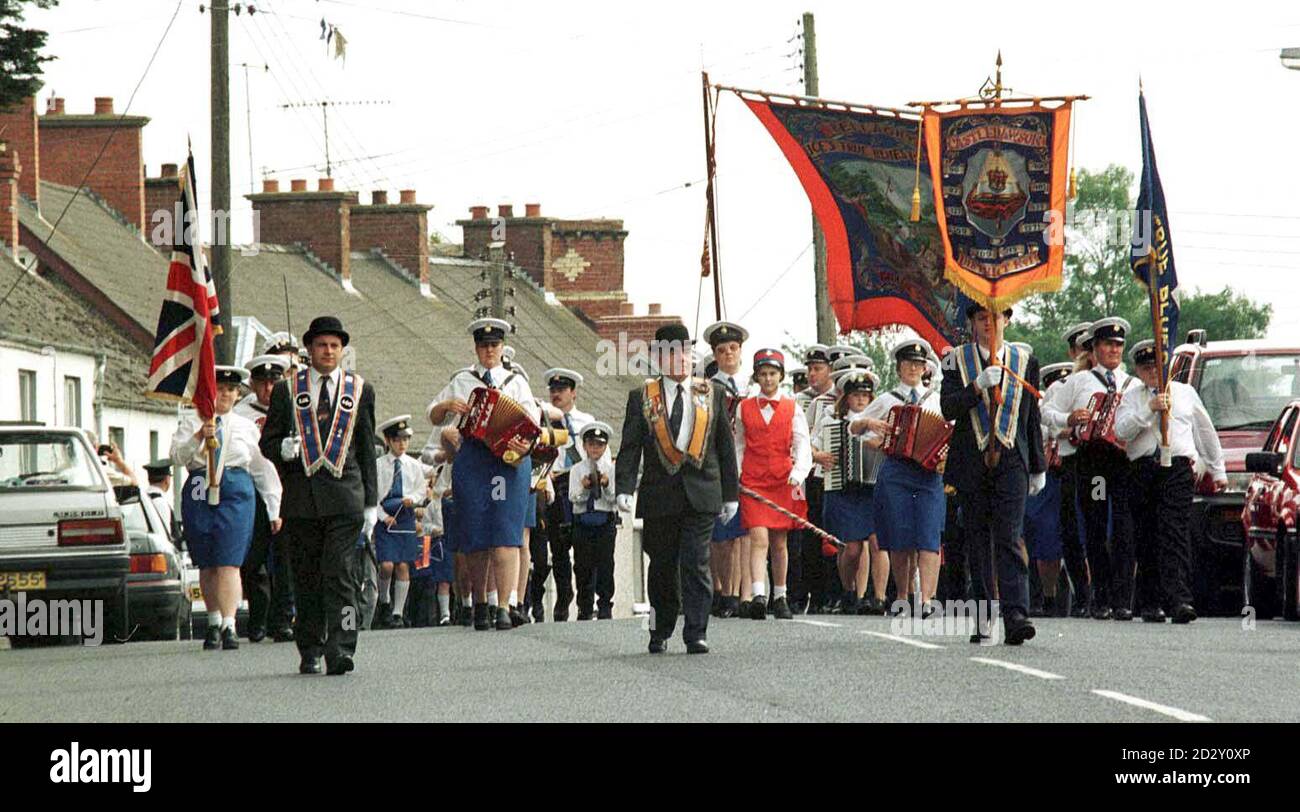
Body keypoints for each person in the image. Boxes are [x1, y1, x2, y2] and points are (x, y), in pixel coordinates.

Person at [260, 315, 378, 676]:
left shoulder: (360, 389)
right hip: (302, 500)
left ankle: (341, 647)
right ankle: (309, 646)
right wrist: (284, 448)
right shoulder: (287, 390)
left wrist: (371, 502)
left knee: (340, 574)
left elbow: (366, 448)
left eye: (335, 346)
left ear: (342, 350)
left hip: (345, 499)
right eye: (322, 345)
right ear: (309, 349)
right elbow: (267, 442)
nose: (328, 351)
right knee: (307, 577)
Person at [615, 322, 739, 654]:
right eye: (672, 353)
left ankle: (696, 631)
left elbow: (724, 447)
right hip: (659, 495)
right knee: (661, 566)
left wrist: (731, 495)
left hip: (702, 492)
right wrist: (624, 487)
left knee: (696, 562)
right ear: (659, 358)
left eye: (684, 351)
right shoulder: (642, 396)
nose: (680, 359)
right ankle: (659, 629)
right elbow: (630, 447)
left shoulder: (711, 393)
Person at [428, 318, 544, 632]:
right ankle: (480, 603)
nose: (488, 350)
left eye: (494, 345)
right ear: (476, 348)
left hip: (506, 462)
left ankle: (505, 606)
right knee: (476, 534)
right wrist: (448, 405)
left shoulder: (515, 381)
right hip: (473, 459)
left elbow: (533, 422)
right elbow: (433, 414)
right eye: (483, 345)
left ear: (502, 348)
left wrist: (524, 440)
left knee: (507, 532)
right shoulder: (463, 380)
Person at [941, 304, 1046, 645]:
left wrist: (1038, 466)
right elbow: (947, 408)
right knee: (978, 539)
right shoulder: (955, 359)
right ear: (972, 322)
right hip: (972, 459)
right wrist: (975, 387)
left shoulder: (1024, 361)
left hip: (1013, 457)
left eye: (997, 317)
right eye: (982, 318)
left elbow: (1031, 416)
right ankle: (985, 616)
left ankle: (1016, 613)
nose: (990, 324)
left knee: (1010, 534)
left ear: (1008, 320)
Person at [172, 366, 283, 651]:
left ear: (237, 394)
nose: (225, 395)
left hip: (235, 491)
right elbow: (177, 456)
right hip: (200, 488)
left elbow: (262, 468)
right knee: (208, 561)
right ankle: (212, 621)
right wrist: (198, 436)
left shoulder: (245, 427)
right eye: (220, 389)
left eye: (231, 390)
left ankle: (229, 624)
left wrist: (273, 507)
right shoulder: (191, 420)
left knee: (230, 560)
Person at [1115, 339, 1226, 624]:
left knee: (1174, 532)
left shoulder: (1185, 393)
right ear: (1139, 371)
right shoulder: (1131, 397)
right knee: (1147, 534)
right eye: (1146, 367)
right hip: (1143, 469)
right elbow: (1122, 431)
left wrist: (1218, 470)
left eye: (1157, 366)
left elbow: (1205, 432)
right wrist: (1149, 409)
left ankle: (1179, 600)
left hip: (1176, 468)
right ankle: (1150, 602)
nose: (1153, 371)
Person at [1041, 316, 1138, 620]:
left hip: (1122, 462)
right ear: (1094, 349)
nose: (1114, 350)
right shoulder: (1079, 381)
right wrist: (1068, 420)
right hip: (1092, 461)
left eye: (1118, 345)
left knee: (1123, 527)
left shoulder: (1131, 384)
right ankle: (1100, 595)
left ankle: (1122, 598)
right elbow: (1046, 411)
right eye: (1108, 344)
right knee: (1095, 525)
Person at [863, 339, 949, 616]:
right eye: (908, 363)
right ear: (899, 367)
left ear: (925, 368)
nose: (913, 368)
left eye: (918, 364)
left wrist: (946, 456)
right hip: (896, 471)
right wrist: (871, 428)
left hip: (928, 474)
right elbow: (856, 426)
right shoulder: (887, 400)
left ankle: (927, 599)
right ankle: (902, 596)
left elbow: (951, 431)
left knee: (929, 535)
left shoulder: (935, 399)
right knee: (900, 537)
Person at [735, 348, 812, 620]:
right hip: (754, 481)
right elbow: (739, 446)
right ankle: (758, 594)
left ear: (780, 376)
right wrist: (736, 475)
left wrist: (799, 472)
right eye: (763, 374)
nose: (768, 379)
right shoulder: (744, 408)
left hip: (782, 480)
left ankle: (780, 595)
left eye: (772, 374)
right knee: (759, 538)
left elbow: (803, 443)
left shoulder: (792, 407)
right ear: (756, 377)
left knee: (780, 543)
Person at [235, 353, 297, 643]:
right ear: (253, 384)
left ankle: (283, 618)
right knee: (254, 558)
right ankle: (257, 617)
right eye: (262, 383)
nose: (268, 389)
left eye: (274, 382)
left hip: (287, 489)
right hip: (253, 492)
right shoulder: (241, 413)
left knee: (285, 557)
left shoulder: (294, 409)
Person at [532, 368, 593, 622]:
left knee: (582, 545)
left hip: (579, 484)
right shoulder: (544, 420)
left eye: (562, 390)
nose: (556, 394)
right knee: (557, 546)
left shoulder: (586, 421)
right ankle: (563, 594)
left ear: (573, 393)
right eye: (553, 390)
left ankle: (585, 601)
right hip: (554, 484)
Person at [1043, 322, 1095, 617]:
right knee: (1072, 527)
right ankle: (1083, 593)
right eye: (1082, 349)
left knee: (1101, 526)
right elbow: (1046, 419)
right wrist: (1067, 426)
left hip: (1101, 466)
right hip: (1070, 463)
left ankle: (1105, 591)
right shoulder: (1063, 386)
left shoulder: (1117, 381)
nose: (1086, 354)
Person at [701, 320, 750, 618]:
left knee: (746, 536)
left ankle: (742, 594)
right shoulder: (706, 388)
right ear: (715, 355)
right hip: (719, 465)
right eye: (722, 350)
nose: (728, 354)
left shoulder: (754, 386)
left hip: (750, 465)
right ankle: (722, 590)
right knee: (721, 537)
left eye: (733, 348)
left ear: (741, 350)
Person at [372, 415, 434, 629]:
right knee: (387, 564)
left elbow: (420, 490)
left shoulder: (413, 465)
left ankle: (398, 612)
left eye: (406, 440)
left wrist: (414, 499)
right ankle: (384, 601)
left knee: (403, 565)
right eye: (398, 440)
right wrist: (382, 516)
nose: (402, 444)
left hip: (405, 515)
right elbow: (372, 497)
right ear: (388, 441)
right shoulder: (379, 465)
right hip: (386, 516)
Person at [1024, 362, 1074, 617]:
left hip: (1072, 473)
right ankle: (1046, 596)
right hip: (1048, 477)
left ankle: (1077, 595)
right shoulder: (1042, 413)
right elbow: (1043, 431)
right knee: (1043, 539)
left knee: (1077, 536)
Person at [794, 344, 838, 614]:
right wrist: (815, 455)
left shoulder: (838, 398)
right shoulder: (804, 401)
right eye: (810, 368)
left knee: (830, 537)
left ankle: (829, 594)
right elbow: (800, 439)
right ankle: (809, 593)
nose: (812, 374)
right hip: (811, 475)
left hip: (834, 477)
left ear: (830, 371)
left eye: (818, 368)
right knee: (810, 538)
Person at [569, 422, 619, 619]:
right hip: (583, 521)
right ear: (584, 446)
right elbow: (573, 498)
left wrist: (605, 485)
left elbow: (613, 499)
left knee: (606, 564)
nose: (595, 449)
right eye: (591, 444)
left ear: (605, 446)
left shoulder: (611, 469)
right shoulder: (577, 470)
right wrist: (583, 487)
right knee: (582, 565)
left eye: (599, 445)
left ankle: (605, 604)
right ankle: (585, 605)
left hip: (604, 521)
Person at [141, 459, 176, 538]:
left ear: (149, 480)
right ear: (167, 480)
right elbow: (164, 537)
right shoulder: (160, 502)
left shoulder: (142, 500)